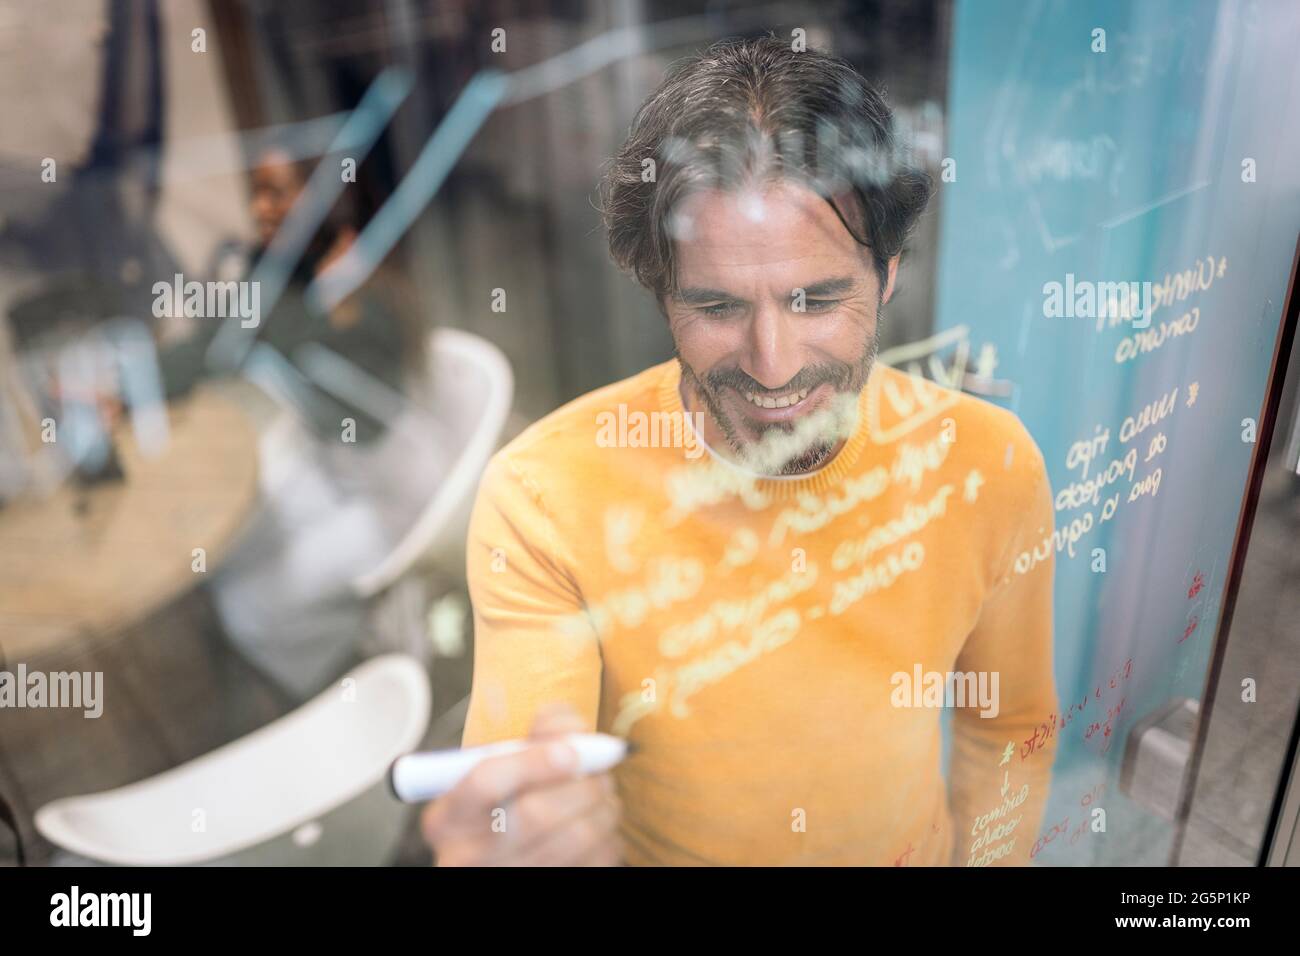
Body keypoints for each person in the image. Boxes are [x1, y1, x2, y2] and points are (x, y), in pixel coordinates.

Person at [422, 36, 1058, 866]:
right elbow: (522, 793)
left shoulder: (987, 462)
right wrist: (513, 834)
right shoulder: (544, 497)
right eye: (718, 306)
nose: (774, 364)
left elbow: (1009, 728)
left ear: (889, 274)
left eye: (817, 299)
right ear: (660, 294)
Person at [156, 147, 443, 700]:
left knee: (249, 609)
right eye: (256, 191)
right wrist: (134, 383)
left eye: (278, 191)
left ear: (325, 197)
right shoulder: (284, 271)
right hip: (338, 470)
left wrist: (334, 310)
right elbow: (216, 342)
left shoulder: (367, 287)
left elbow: (365, 415)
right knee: (226, 559)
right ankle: (345, 650)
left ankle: (354, 686)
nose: (261, 207)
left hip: (395, 493)